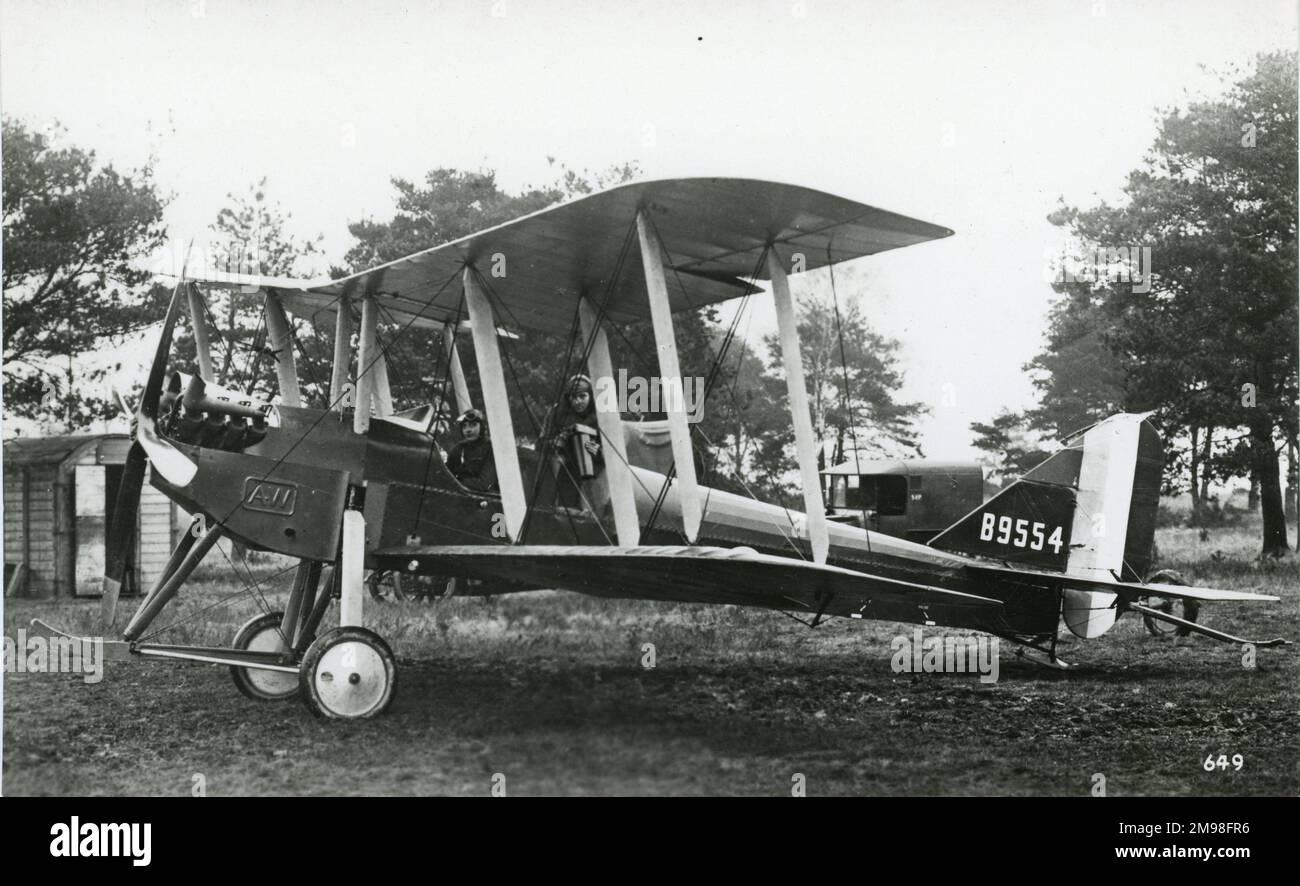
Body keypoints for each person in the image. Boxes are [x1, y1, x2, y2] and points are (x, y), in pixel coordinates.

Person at [543, 374, 604, 512]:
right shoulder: (558, 415)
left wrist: (599, 451)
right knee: (567, 510)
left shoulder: (602, 417)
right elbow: (542, 443)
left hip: (597, 474)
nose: (577, 401)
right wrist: (557, 442)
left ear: (590, 396)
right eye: (573, 397)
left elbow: (618, 449)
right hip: (568, 472)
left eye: (582, 396)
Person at [446, 408, 497, 491]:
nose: (468, 430)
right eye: (464, 426)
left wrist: (453, 483)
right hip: (461, 493)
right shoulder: (459, 448)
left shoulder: (491, 449)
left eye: (473, 425)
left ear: (483, 427)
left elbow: (483, 484)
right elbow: (445, 473)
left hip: (484, 498)